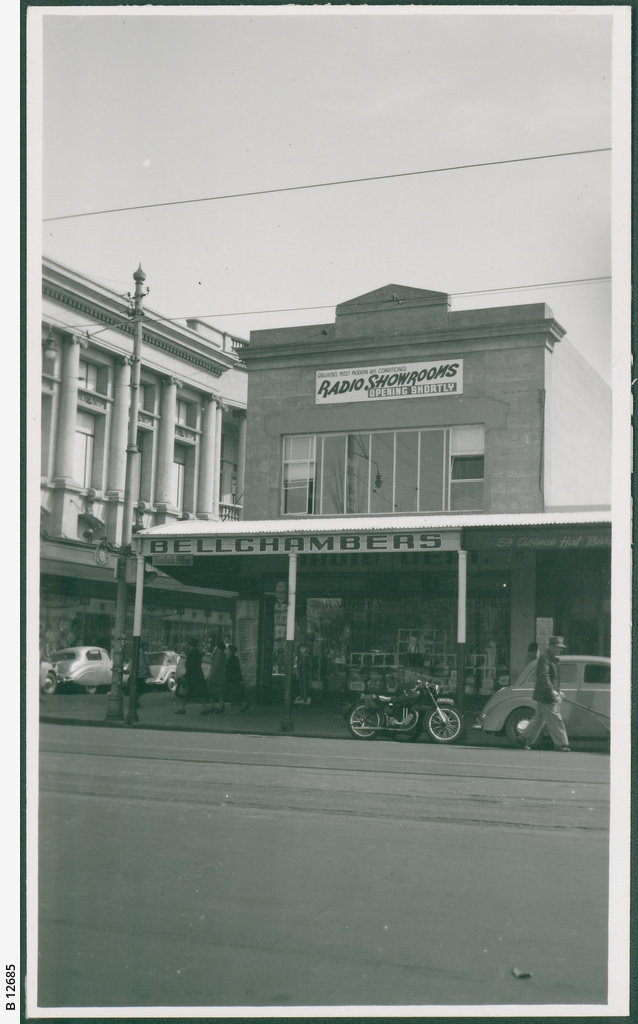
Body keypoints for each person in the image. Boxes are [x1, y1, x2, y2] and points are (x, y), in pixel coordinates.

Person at [519, 636, 571, 751]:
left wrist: (557, 691)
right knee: (555, 719)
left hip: (545, 694)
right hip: (546, 695)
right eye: (558, 647)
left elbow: (551, 678)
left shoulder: (550, 658)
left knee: (539, 719)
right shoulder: (545, 658)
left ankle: (523, 738)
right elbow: (544, 676)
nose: (560, 650)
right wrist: (552, 691)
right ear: (551, 647)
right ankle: (561, 744)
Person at [174, 638, 206, 715]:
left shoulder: (191, 653)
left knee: (186, 693)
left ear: (190, 645)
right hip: (198, 675)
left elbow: (189, 666)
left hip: (191, 676)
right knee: (199, 693)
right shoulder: (198, 653)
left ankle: (182, 708)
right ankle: (205, 708)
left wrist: (186, 675)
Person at [202, 640, 226, 714]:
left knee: (208, 691)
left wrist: (214, 676)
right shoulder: (224, 654)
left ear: (217, 647)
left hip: (215, 675)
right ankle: (221, 705)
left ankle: (213, 706)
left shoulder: (218, 655)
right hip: (221, 675)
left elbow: (216, 666)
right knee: (220, 692)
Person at [225, 644, 248, 711]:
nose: (227, 650)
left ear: (230, 651)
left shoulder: (230, 659)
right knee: (237, 692)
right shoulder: (235, 658)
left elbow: (229, 670)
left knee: (234, 692)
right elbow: (238, 669)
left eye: (228, 649)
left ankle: (238, 705)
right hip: (236, 678)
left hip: (232, 678)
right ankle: (242, 704)